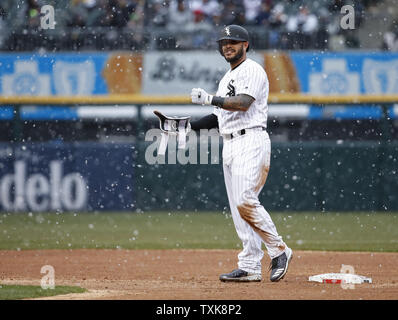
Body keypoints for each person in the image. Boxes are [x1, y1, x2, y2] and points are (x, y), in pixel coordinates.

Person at [190, 25, 293, 282]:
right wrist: (184, 126)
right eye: (224, 42)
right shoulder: (227, 78)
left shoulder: (253, 70)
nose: (228, 45)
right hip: (231, 143)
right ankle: (249, 266)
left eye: (233, 41)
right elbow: (217, 117)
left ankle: (280, 250)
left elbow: (243, 103)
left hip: (251, 139)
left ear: (245, 44)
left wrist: (210, 98)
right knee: (239, 210)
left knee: (245, 201)